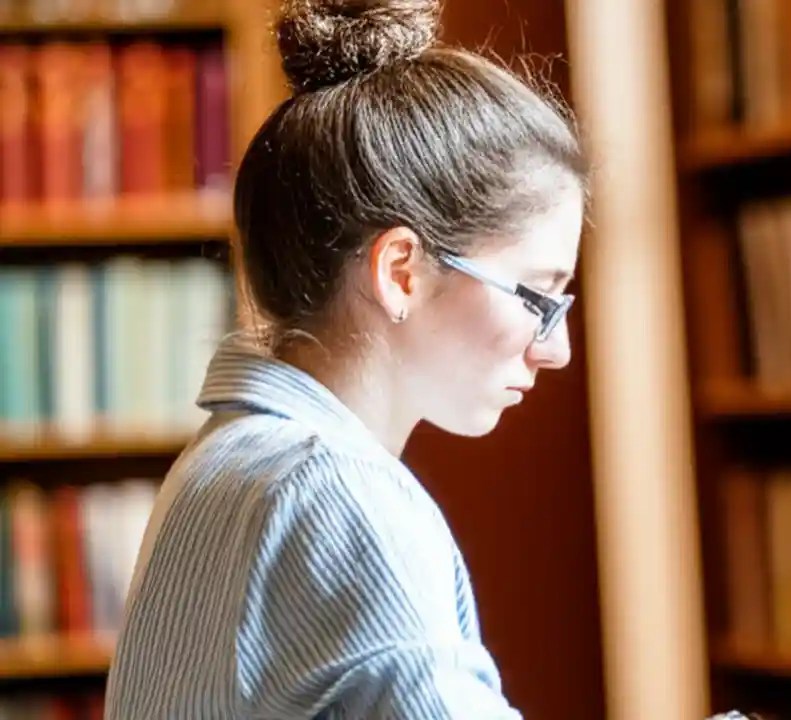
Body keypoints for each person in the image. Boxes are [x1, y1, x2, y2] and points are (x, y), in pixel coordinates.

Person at [103, 0, 585, 716]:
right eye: (537, 297)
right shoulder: (336, 494)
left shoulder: (226, 463)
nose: (557, 349)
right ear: (403, 271)